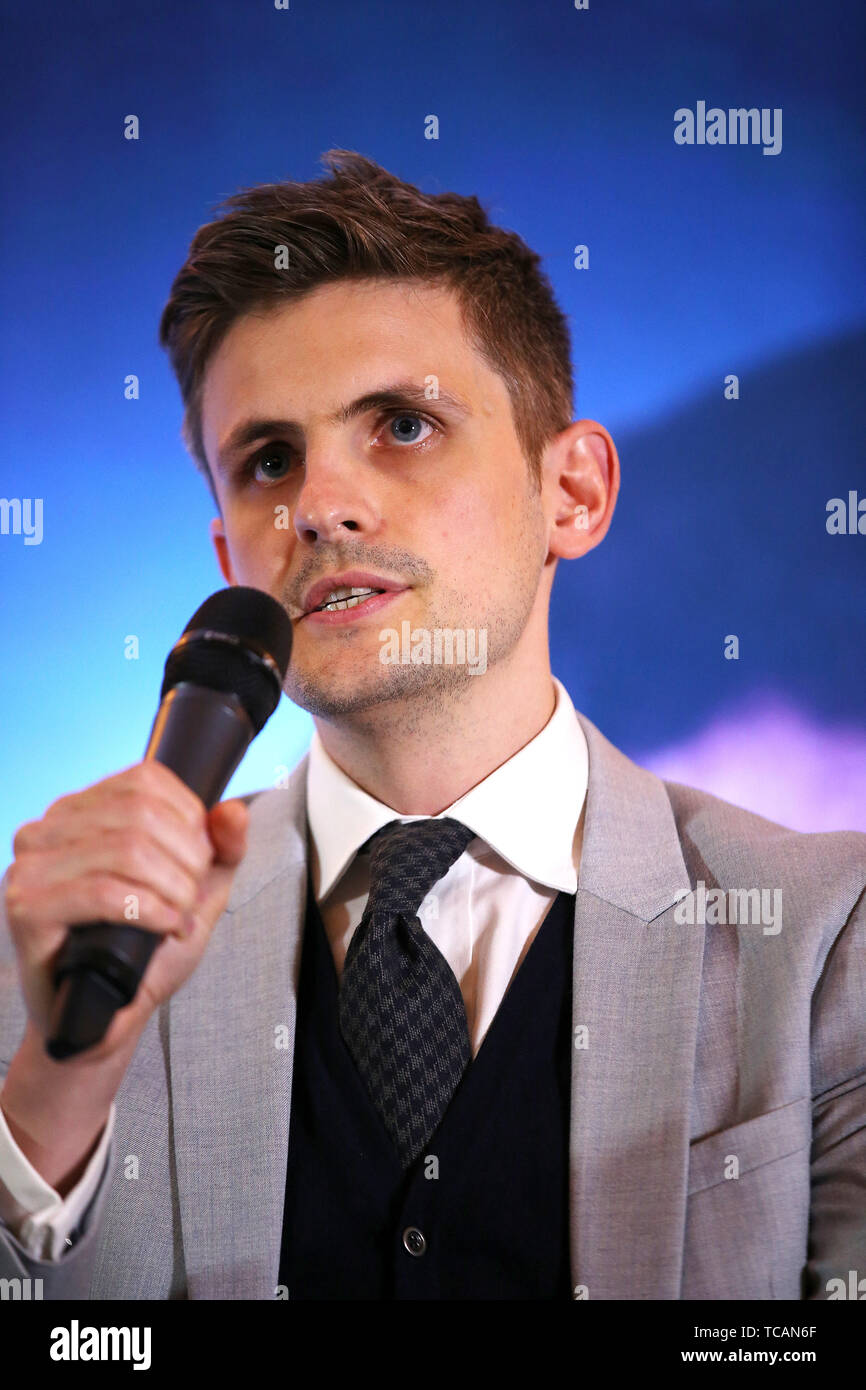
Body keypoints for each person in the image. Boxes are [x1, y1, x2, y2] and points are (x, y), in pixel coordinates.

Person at [0, 151, 863, 1301]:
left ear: (573, 494)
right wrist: (60, 1090)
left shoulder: (824, 937)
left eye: (401, 424)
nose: (316, 505)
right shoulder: (61, 959)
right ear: (227, 560)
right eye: (267, 460)